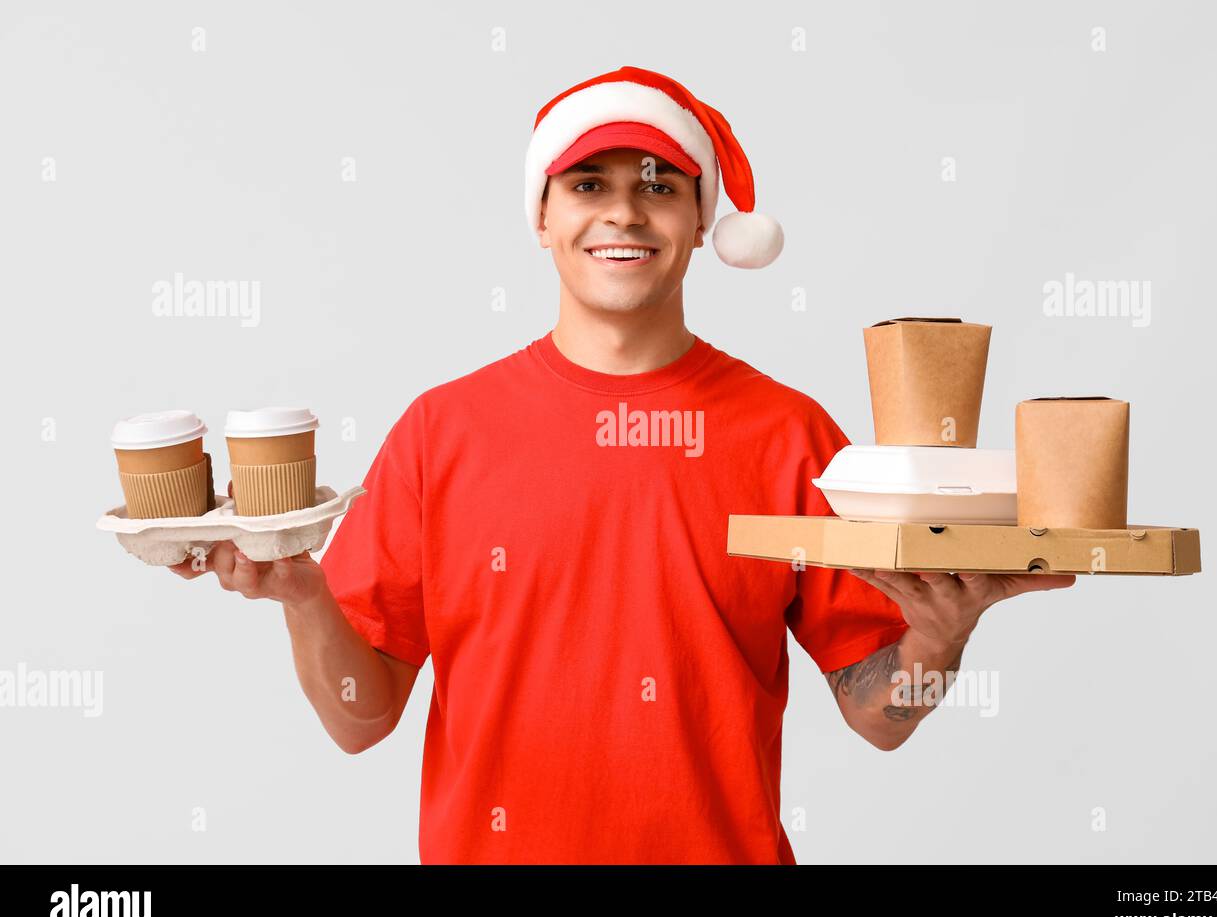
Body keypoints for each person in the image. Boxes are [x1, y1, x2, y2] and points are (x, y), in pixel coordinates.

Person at [169, 66, 1074, 864]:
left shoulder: (789, 434)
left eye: (659, 187)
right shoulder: (442, 433)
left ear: (700, 217)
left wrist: (941, 639)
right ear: (542, 216)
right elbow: (360, 719)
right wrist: (301, 594)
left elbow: (881, 716)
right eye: (588, 183)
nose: (624, 212)